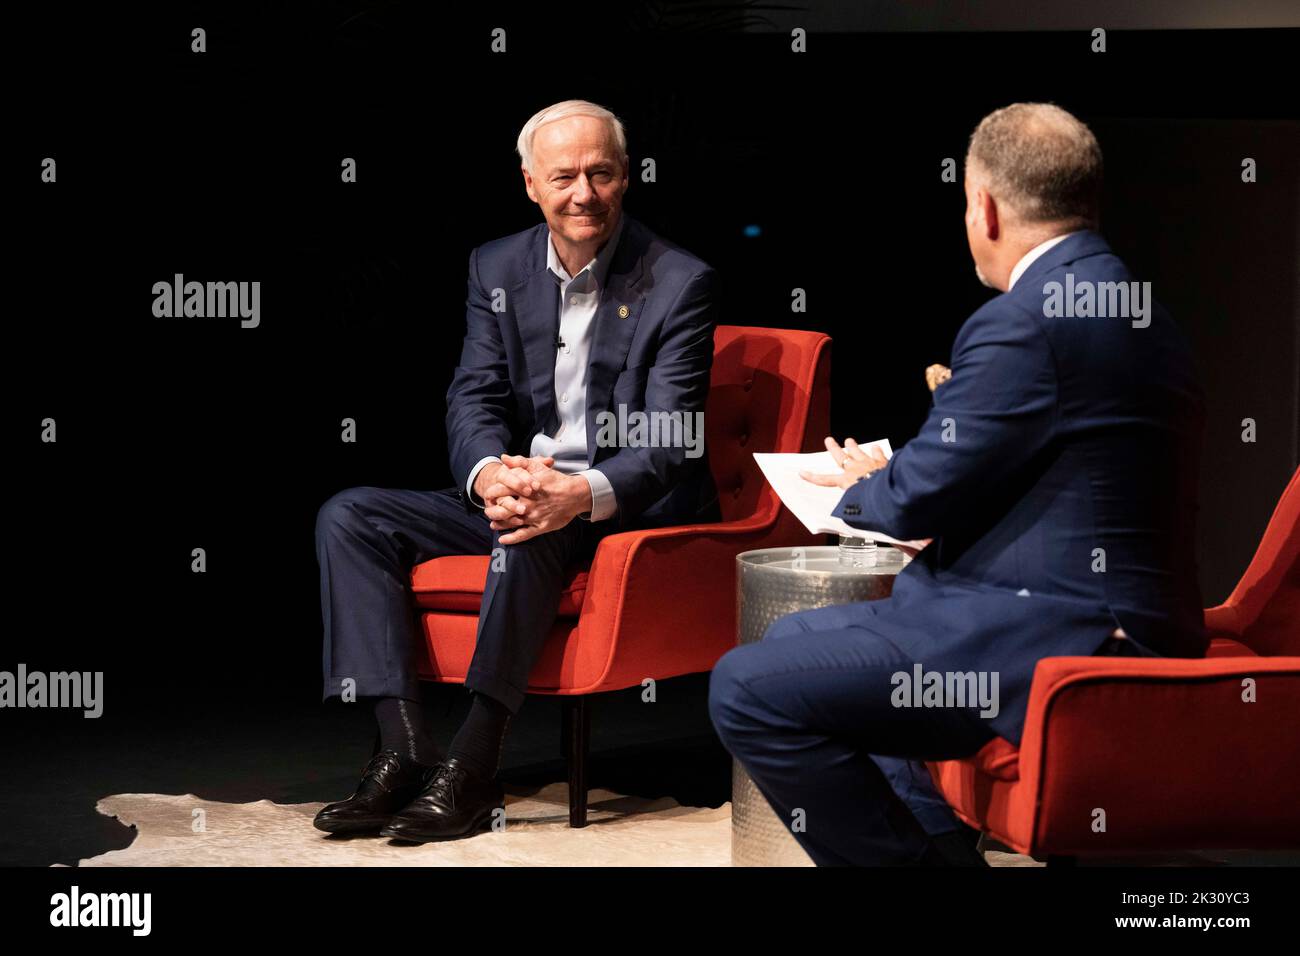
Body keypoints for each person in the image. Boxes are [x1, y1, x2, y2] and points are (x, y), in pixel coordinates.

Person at [709, 102, 1207, 866]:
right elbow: (1043, 468)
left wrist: (857, 489)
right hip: (1114, 615)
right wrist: (912, 470)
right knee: (801, 639)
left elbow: (916, 497)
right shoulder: (1144, 310)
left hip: (1056, 635)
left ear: (987, 208)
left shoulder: (1022, 318)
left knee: (747, 688)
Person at [314, 99, 720, 842]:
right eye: (564, 176)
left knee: (531, 530)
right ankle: (403, 751)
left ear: (625, 177)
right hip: (522, 487)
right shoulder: (494, 265)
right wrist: (484, 475)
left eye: (600, 173)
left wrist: (576, 494)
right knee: (350, 515)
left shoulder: (678, 282)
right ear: (532, 183)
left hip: (616, 508)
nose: (583, 193)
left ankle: (473, 765)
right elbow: (473, 392)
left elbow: (669, 439)